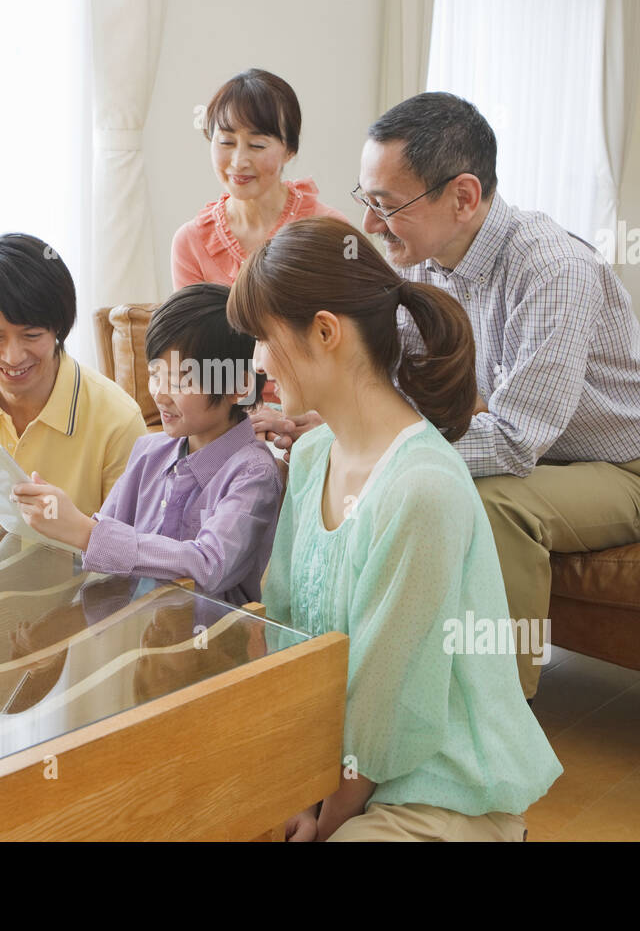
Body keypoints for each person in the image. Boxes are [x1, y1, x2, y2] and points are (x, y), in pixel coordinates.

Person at [252, 93, 640, 700]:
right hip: (544, 456)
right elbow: (389, 389)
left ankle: (495, 713)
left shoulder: (554, 269)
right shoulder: (415, 259)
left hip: (638, 470)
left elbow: (512, 441)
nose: (371, 225)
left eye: (386, 205)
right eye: (366, 200)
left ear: (463, 197)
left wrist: (378, 446)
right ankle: (346, 677)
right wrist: (328, 426)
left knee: (490, 503)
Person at [230, 217, 561, 842]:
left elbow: (386, 705)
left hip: (441, 785)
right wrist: (293, 792)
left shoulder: (421, 489)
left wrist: (323, 820)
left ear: (324, 331)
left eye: (264, 339)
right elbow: (286, 631)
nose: (257, 362)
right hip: (331, 773)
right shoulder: (312, 456)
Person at [12, 284, 282, 607]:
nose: (160, 393)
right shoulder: (148, 452)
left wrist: (86, 532)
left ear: (239, 386)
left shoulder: (254, 473)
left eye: (181, 380)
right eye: (155, 373)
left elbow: (209, 565)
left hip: (212, 635)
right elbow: (101, 543)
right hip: (131, 626)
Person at [0, 234, 147, 548]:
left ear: (58, 327)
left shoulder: (118, 420)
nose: (13, 357)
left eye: (32, 335)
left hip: (84, 580)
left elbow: (132, 549)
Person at [172, 68, 350, 290]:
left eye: (257, 145)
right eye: (226, 142)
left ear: (289, 150)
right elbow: (189, 314)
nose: (239, 162)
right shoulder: (191, 241)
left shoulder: (331, 230)